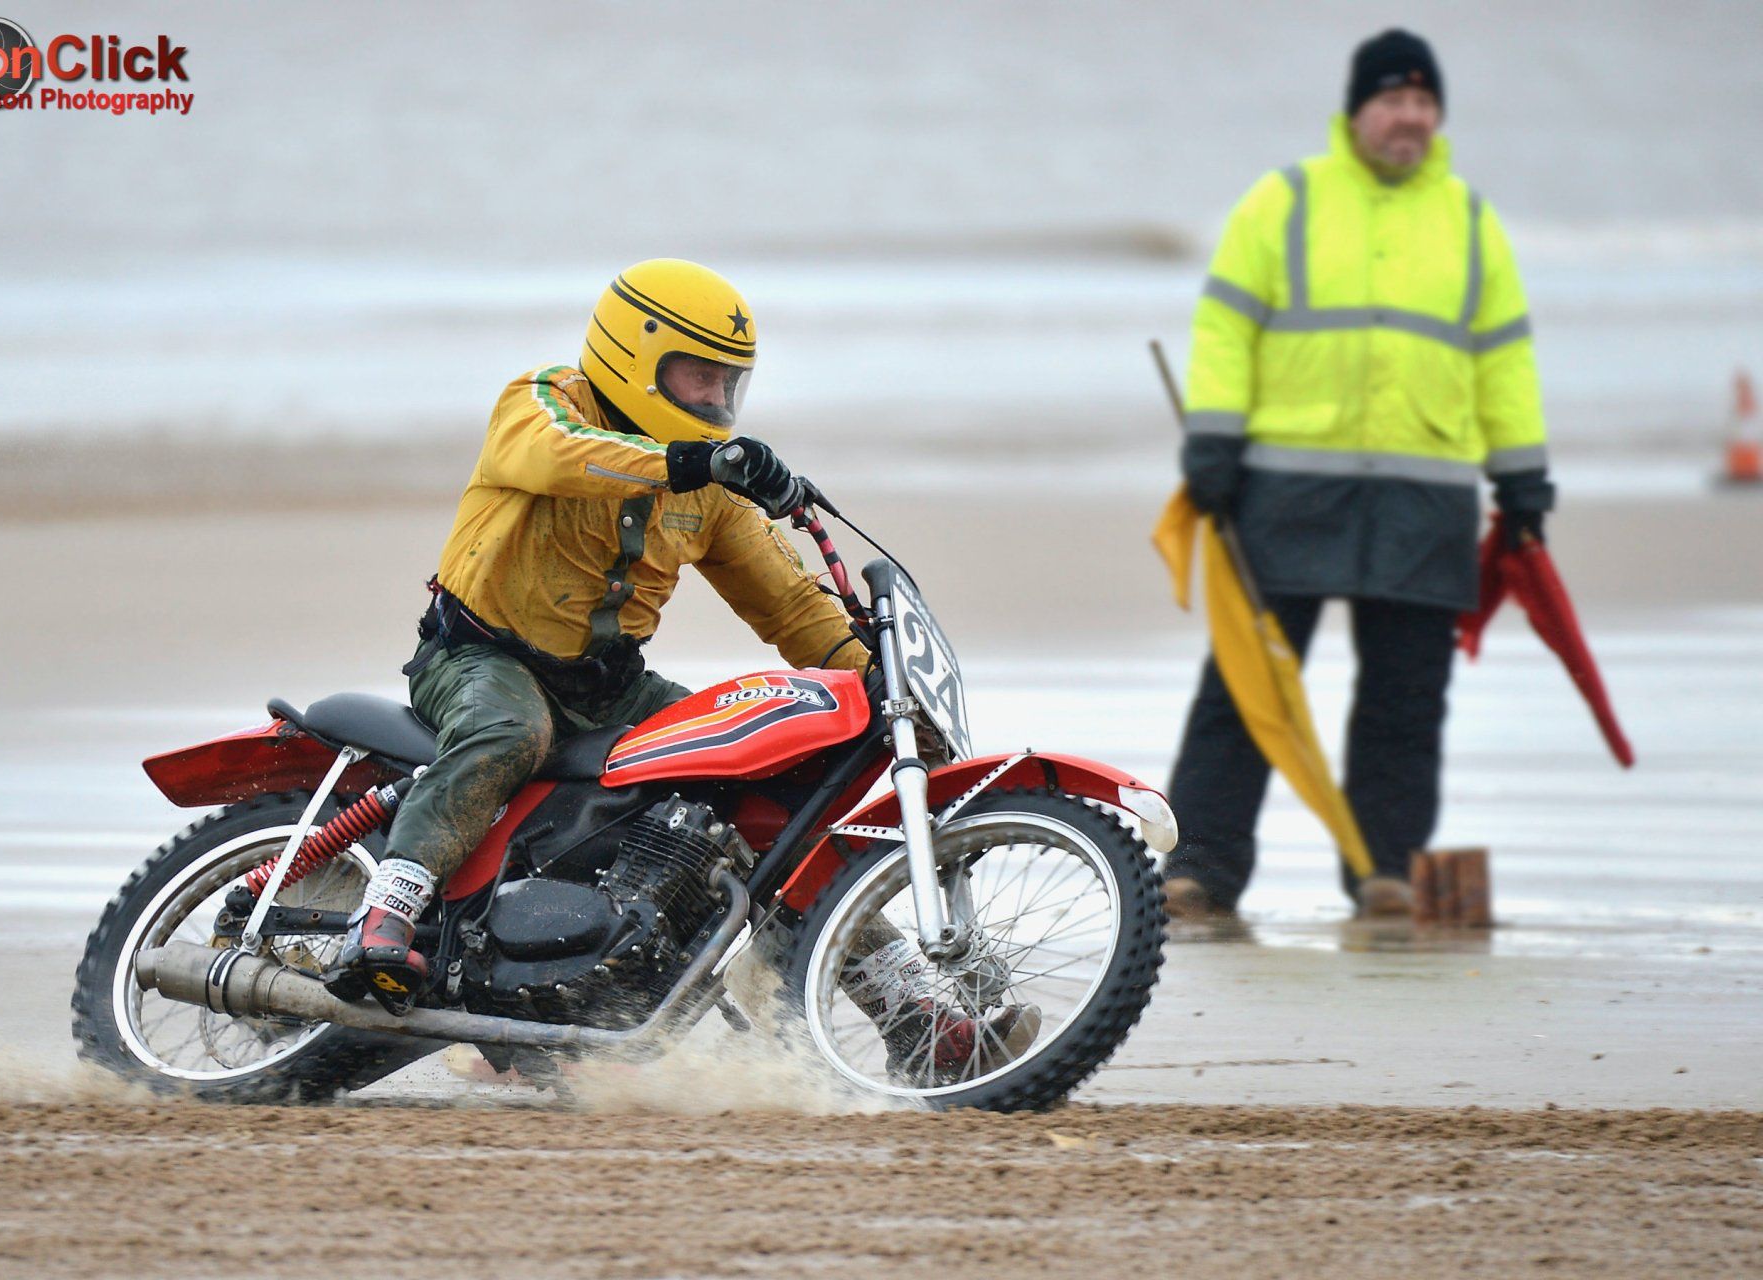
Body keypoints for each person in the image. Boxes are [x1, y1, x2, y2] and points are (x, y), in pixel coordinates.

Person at [325, 259, 1033, 1070]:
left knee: (758, 781)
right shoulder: (545, 400)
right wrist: (691, 461)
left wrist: (883, 683)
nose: (717, 398)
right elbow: (556, 455)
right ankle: (384, 912)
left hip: (610, 687)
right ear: (637, 352)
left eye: (730, 382)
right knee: (507, 730)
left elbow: (788, 605)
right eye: (700, 375)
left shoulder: (710, 485)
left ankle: (914, 1017)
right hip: (478, 656)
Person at [1163, 30, 1554, 918]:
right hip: (1285, 491)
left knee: (1406, 701)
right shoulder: (1284, 201)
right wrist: (1212, 444)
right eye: (1393, 100)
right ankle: (1200, 868)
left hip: (1426, 500)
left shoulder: (1471, 222)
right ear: (1356, 111)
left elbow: (1505, 362)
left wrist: (1523, 480)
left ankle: (1386, 872)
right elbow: (1225, 330)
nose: (1409, 117)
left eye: (1424, 102)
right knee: (1247, 688)